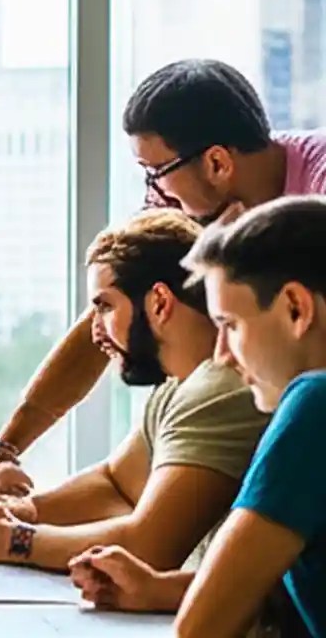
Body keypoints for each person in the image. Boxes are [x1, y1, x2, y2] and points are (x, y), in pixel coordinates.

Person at [0, 58, 326, 497]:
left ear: (217, 164)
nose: (152, 195)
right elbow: (109, 307)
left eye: (156, 173)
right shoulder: (196, 204)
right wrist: (10, 445)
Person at [69, 197, 326, 637]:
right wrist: (158, 590)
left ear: (296, 309)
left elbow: (199, 631)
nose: (223, 355)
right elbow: (278, 589)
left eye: (230, 325)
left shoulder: (314, 406)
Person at [0, 209, 267, 573]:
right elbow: (116, 486)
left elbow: (151, 546)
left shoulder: (219, 390)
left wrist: (17, 540)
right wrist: (23, 511)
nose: (95, 333)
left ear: (160, 302)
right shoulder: (177, 388)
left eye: (105, 306)